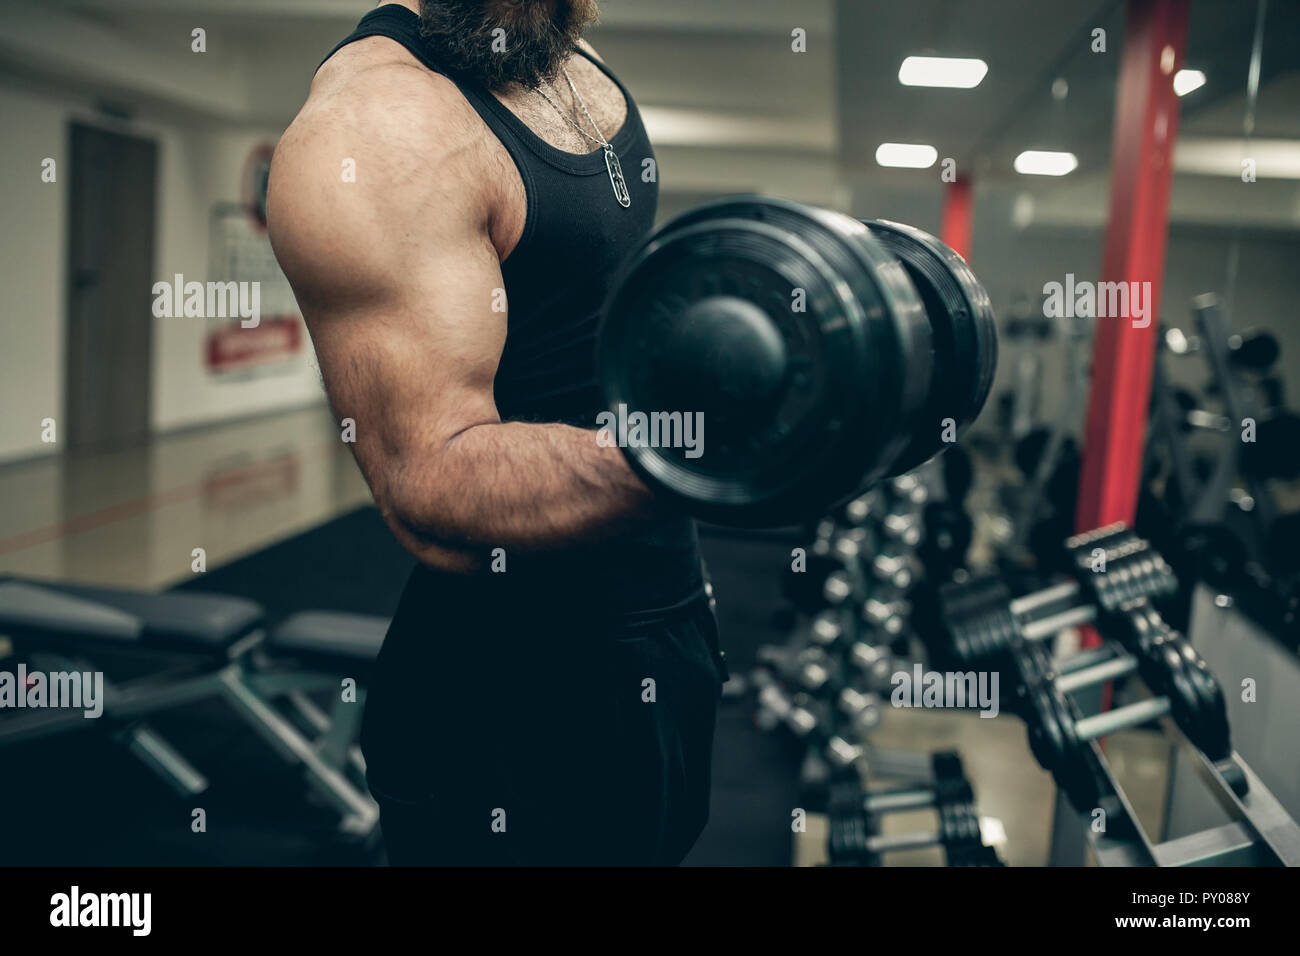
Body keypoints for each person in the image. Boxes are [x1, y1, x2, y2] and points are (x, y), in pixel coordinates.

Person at [267, 0, 724, 865]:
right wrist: (718, 457)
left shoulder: (558, 51)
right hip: (520, 691)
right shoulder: (380, 127)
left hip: (662, 622)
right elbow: (433, 475)